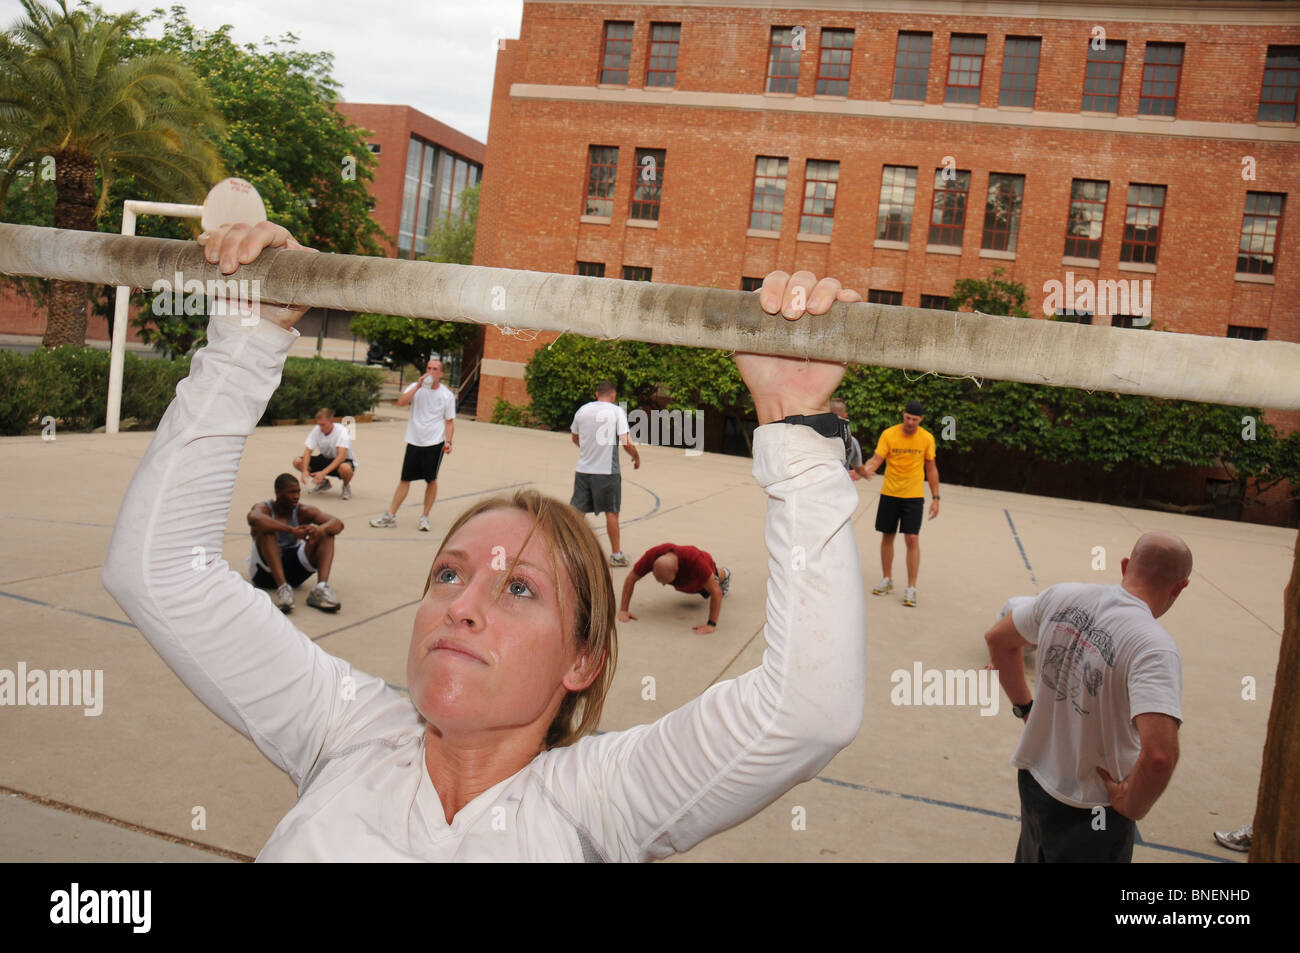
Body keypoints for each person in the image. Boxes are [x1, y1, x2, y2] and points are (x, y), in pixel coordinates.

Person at [100, 218, 866, 861]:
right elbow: (156, 570)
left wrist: (796, 431)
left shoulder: (597, 803)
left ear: (582, 659)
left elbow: (806, 710)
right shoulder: (342, 729)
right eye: (447, 576)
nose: (461, 606)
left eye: (520, 588)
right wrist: (246, 339)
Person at [984, 532, 1191, 863]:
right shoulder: (1153, 647)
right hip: (1094, 809)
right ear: (1180, 587)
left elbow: (997, 639)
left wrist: (1025, 707)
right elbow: (1159, 756)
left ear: (1125, 566)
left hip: (1035, 780)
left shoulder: (1062, 596)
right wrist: (1131, 804)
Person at [857, 400, 939, 607]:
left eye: (915, 419)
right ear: (903, 415)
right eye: (908, 417)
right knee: (888, 536)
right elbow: (876, 459)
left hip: (913, 496)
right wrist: (865, 470)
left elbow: (931, 468)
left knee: (912, 538)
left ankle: (911, 588)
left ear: (921, 419)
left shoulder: (927, 438)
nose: (910, 422)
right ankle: (887, 579)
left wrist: (936, 498)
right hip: (890, 493)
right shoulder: (889, 434)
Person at [371, 358, 456, 532]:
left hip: (434, 442)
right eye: (428, 368)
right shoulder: (415, 388)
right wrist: (417, 386)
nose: (431, 372)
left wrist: (448, 442)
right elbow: (401, 402)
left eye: (435, 369)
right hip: (414, 440)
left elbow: (449, 421)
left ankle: (425, 517)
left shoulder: (446, 395)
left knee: (431, 480)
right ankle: (390, 516)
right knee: (405, 479)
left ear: (441, 374)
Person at [247, 473, 344, 613]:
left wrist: (319, 530)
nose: (297, 496)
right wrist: (291, 530)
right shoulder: (265, 508)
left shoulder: (303, 511)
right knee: (267, 531)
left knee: (327, 533)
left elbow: (337, 523)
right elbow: (254, 519)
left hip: (293, 573)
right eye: (292, 492)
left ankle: (321, 589)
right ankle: (283, 589)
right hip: (264, 573)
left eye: (298, 491)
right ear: (278, 493)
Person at [570, 381, 640, 567]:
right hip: (607, 472)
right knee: (611, 512)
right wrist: (636, 456)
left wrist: (588, 450)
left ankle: (568, 551)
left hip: (583, 470)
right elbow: (626, 442)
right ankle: (616, 555)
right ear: (613, 395)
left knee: (577, 512)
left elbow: (575, 438)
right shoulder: (616, 412)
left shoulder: (582, 411)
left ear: (596, 393)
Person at [618, 544, 732, 634]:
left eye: (666, 581)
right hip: (686, 581)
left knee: (713, 583)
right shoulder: (652, 555)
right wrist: (624, 610)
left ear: (677, 569)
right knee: (699, 585)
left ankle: (725, 573)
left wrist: (711, 625)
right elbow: (631, 579)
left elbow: (716, 592)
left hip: (700, 574)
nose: (663, 585)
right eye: (659, 580)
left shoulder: (695, 560)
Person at [293, 407, 357, 500]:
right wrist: (304, 471)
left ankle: (346, 486)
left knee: (345, 468)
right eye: (319, 424)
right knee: (298, 461)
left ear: (331, 421)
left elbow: (341, 457)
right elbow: (307, 451)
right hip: (325, 458)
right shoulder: (317, 430)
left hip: (341, 462)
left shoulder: (342, 431)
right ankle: (323, 483)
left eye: (323, 424)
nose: (321, 428)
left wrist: (323, 473)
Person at [830, 398, 869, 480]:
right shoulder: (852, 441)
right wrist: (866, 474)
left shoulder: (814, 436)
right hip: (842, 485)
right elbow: (859, 468)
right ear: (845, 415)